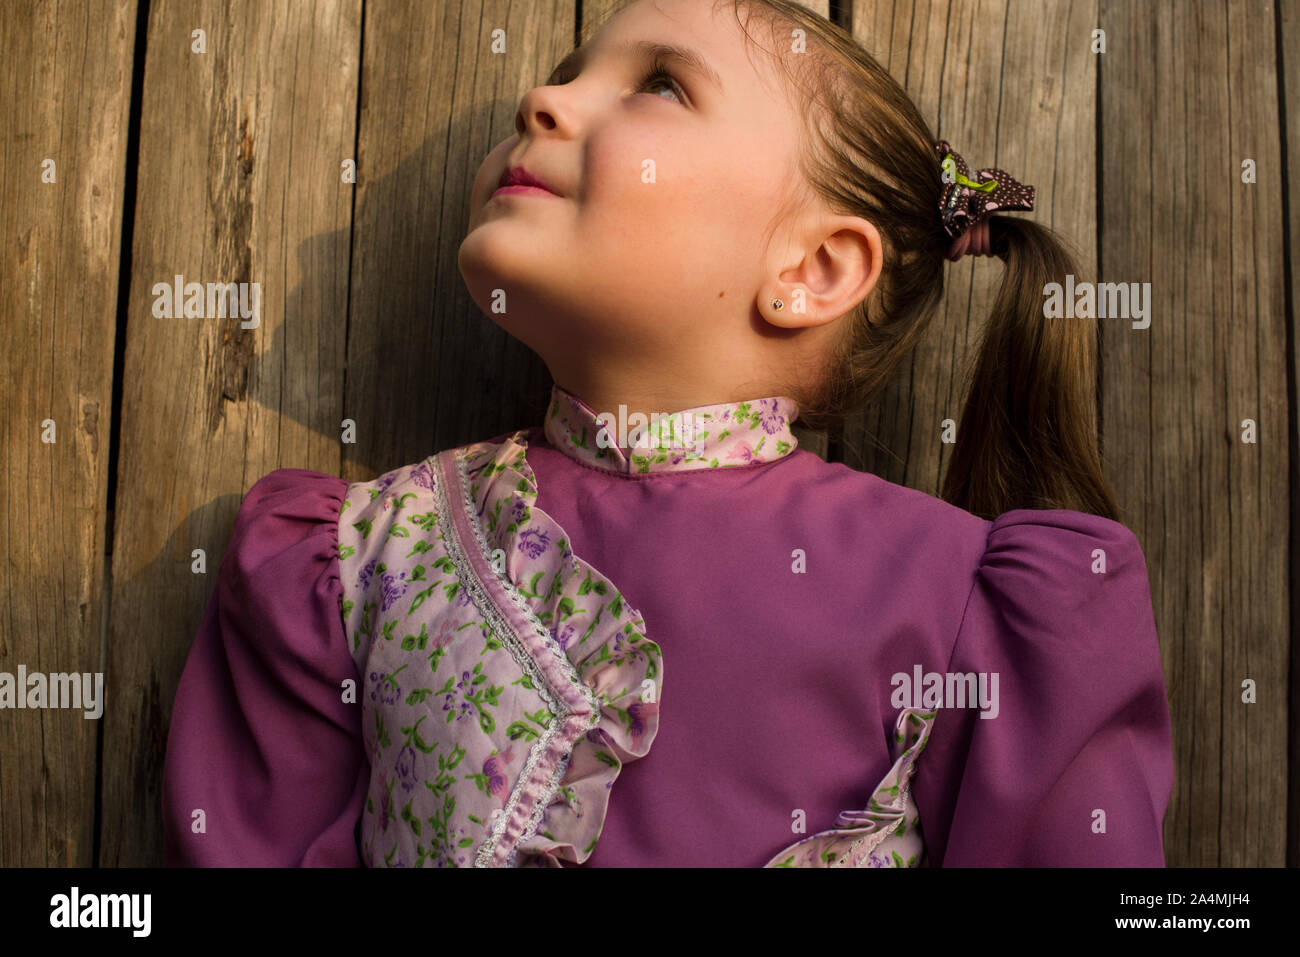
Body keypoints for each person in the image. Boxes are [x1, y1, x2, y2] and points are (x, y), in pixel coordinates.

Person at [162, 0, 1173, 867]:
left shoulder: (964, 598)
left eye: (658, 86)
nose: (541, 103)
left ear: (812, 270)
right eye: (566, 73)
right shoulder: (348, 560)